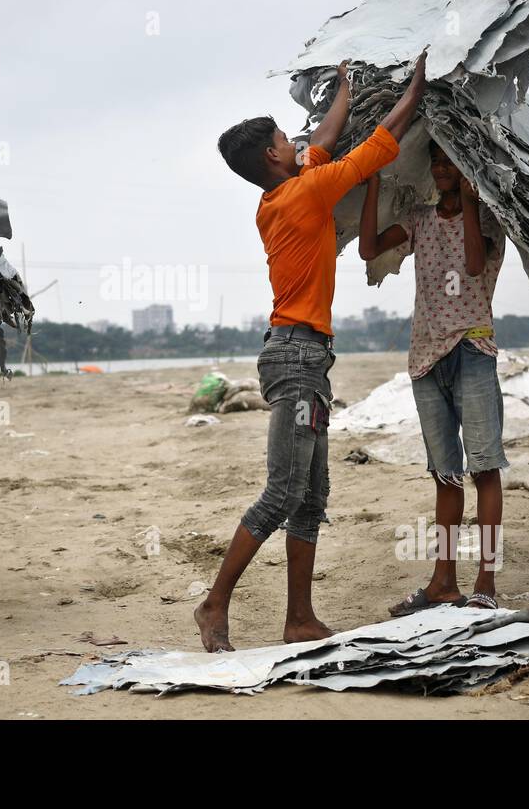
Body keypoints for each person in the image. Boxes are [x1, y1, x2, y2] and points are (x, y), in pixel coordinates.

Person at [195, 51, 428, 652]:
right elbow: (383, 142)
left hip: (306, 357)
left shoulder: (283, 193)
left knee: (312, 496)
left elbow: (324, 138)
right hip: (298, 361)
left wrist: (347, 87)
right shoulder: (308, 193)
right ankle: (214, 604)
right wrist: (420, 84)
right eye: (284, 138)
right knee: (282, 493)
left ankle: (300, 618)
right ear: (275, 156)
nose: (296, 141)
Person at [357, 139, 507, 615]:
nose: (443, 169)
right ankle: (443, 581)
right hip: (426, 358)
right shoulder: (420, 221)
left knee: (483, 468)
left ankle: (485, 580)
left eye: (453, 161)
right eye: (437, 161)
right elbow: (367, 249)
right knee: (446, 475)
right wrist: (373, 179)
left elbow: (474, 265)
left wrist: (468, 200)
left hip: (473, 349)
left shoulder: (488, 221)